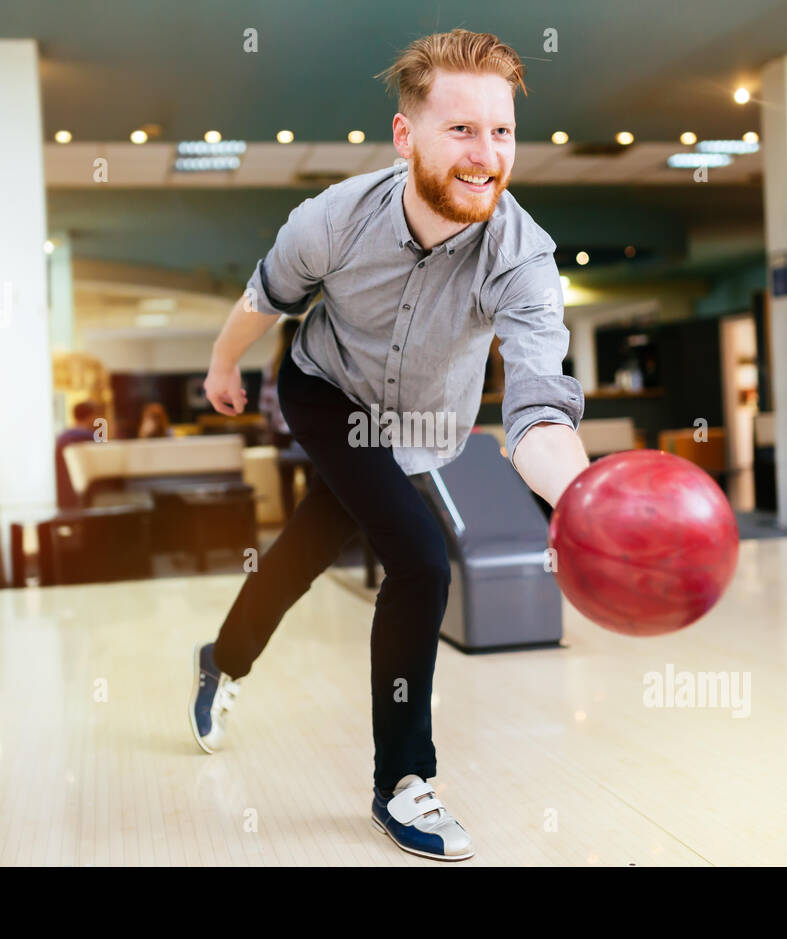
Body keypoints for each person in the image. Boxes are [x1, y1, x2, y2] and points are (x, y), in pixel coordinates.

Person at [193, 29, 590, 862]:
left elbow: (538, 411)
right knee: (420, 558)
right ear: (407, 136)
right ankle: (404, 783)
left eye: (503, 132)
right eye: (462, 130)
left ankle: (220, 657)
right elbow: (263, 300)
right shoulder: (332, 219)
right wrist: (223, 362)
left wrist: (586, 502)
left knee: (305, 548)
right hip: (325, 389)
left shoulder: (523, 261)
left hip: (416, 430)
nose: (487, 155)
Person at [260, 317, 315, 521]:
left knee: (285, 485)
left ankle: (290, 526)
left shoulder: (272, 366)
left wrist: (270, 429)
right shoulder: (310, 364)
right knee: (312, 485)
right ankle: (312, 525)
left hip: (282, 436)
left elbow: (265, 405)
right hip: (308, 433)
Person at [55, 400, 104, 510]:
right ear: (91, 416)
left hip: (64, 492)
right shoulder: (89, 437)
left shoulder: (62, 436)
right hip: (84, 495)